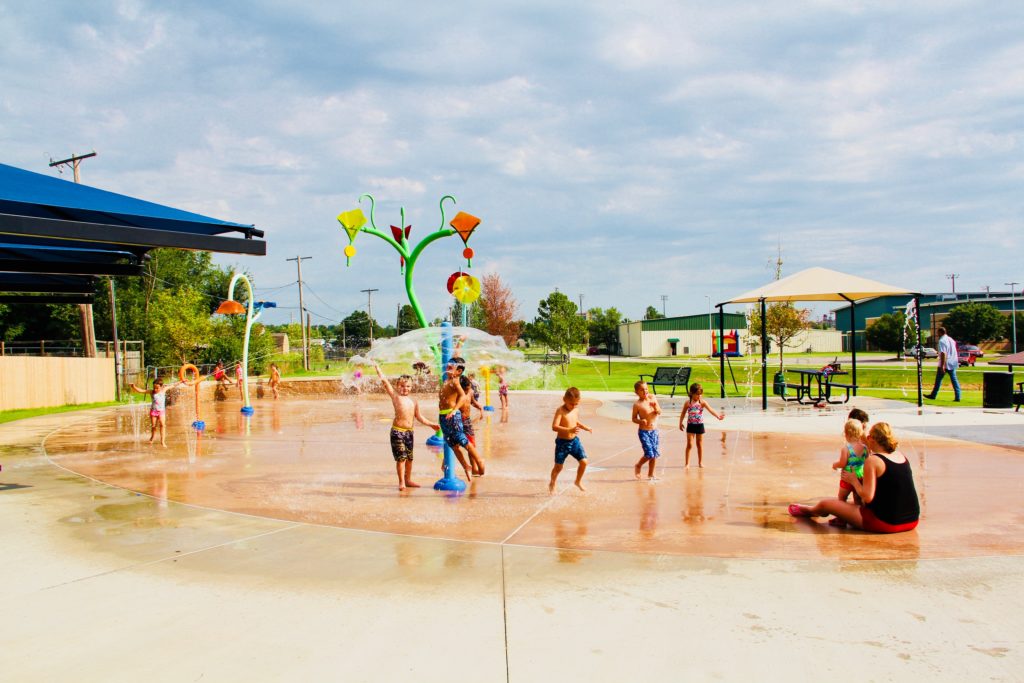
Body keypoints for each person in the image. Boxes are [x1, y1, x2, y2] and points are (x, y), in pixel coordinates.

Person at [788, 422, 920, 533]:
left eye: (868, 436)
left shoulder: (873, 460)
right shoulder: (901, 456)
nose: (866, 438)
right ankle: (825, 511)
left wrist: (853, 480)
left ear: (873, 439)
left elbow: (867, 496)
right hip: (912, 521)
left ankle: (809, 510)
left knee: (826, 503)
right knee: (842, 504)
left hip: (885, 523)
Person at [374, 364, 440, 491]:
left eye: (408, 386)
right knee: (401, 458)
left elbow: (419, 417)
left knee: (409, 458)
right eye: (402, 386)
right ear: (397, 386)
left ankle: (408, 479)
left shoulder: (414, 401)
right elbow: (385, 382)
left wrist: (431, 424)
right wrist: (377, 368)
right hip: (397, 432)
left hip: (409, 433)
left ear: (411, 387)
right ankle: (402, 482)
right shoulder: (395, 396)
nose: (405, 388)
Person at [438, 356, 483, 480]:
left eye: (453, 365)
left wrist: (454, 410)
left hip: (452, 415)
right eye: (449, 363)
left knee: (463, 440)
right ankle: (466, 466)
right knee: (452, 444)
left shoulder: (455, 381)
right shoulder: (446, 380)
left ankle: (479, 461)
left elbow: (463, 396)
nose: (449, 365)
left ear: (459, 371)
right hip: (444, 416)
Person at [549, 387, 592, 493]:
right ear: (564, 399)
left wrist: (585, 427)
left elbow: (575, 422)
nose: (573, 406)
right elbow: (554, 427)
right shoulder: (560, 411)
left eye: (576, 404)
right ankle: (552, 482)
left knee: (584, 462)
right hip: (562, 443)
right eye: (571, 403)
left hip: (574, 441)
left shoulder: (575, 410)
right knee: (558, 467)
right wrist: (569, 430)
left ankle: (577, 481)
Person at [828, 419, 869, 527]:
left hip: (847, 477)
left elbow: (842, 463)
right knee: (857, 498)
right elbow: (867, 461)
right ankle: (858, 518)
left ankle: (842, 519)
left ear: (846, 434)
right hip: (860, 476)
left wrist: (834, 465)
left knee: (842, 498)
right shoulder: (865, 448)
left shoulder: (846, 448)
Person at [679, 383, 724, 468]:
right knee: (690, 444)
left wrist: (718, 416)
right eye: (697, 394)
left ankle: (700, 462)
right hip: (691, 425)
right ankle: (687, 463)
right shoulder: (688, 403)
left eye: (700, 394)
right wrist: (680, 423)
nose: (699, 396)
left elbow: (711, 410)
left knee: (699, 444)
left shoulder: (702, 402)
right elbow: (683, 414)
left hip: (699, 425)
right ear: (692, 393)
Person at [130, 379, 177, 447]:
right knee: (154, 426)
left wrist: (181, 381)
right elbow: (142, 391)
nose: (155, 389)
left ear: (161, 386)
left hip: (161, 411)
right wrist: (134, 386)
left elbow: (172, 385)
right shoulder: (152, 392)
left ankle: (162, 441)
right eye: (154, 387)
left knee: (163, 425)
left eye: (157, 388)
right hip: (154, 411)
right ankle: (152, 437)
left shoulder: (164, 390)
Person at [631, 381, 662, 480]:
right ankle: (638, 465)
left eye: (646, 389)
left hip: (654, 431)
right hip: (644, 432)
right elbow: (633, 418)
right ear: (636, 392)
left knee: (654, 454)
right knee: (649, 454)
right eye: (642, 390)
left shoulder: (652, 398)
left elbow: (659, 412)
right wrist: (640, 421)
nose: (645, 391)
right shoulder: (637, 405)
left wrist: (655, 407)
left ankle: (651, 474)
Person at [924, 326, 961, 401]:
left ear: (940, 332)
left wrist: (942, 366)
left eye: (938, 332)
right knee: (954, 380)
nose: (937, 334)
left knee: (938, 380)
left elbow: (943, 353)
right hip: (952, 362)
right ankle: (958, 396)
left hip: (945, 362)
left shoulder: (942, 341)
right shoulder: (951, 339)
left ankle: (933, 395)